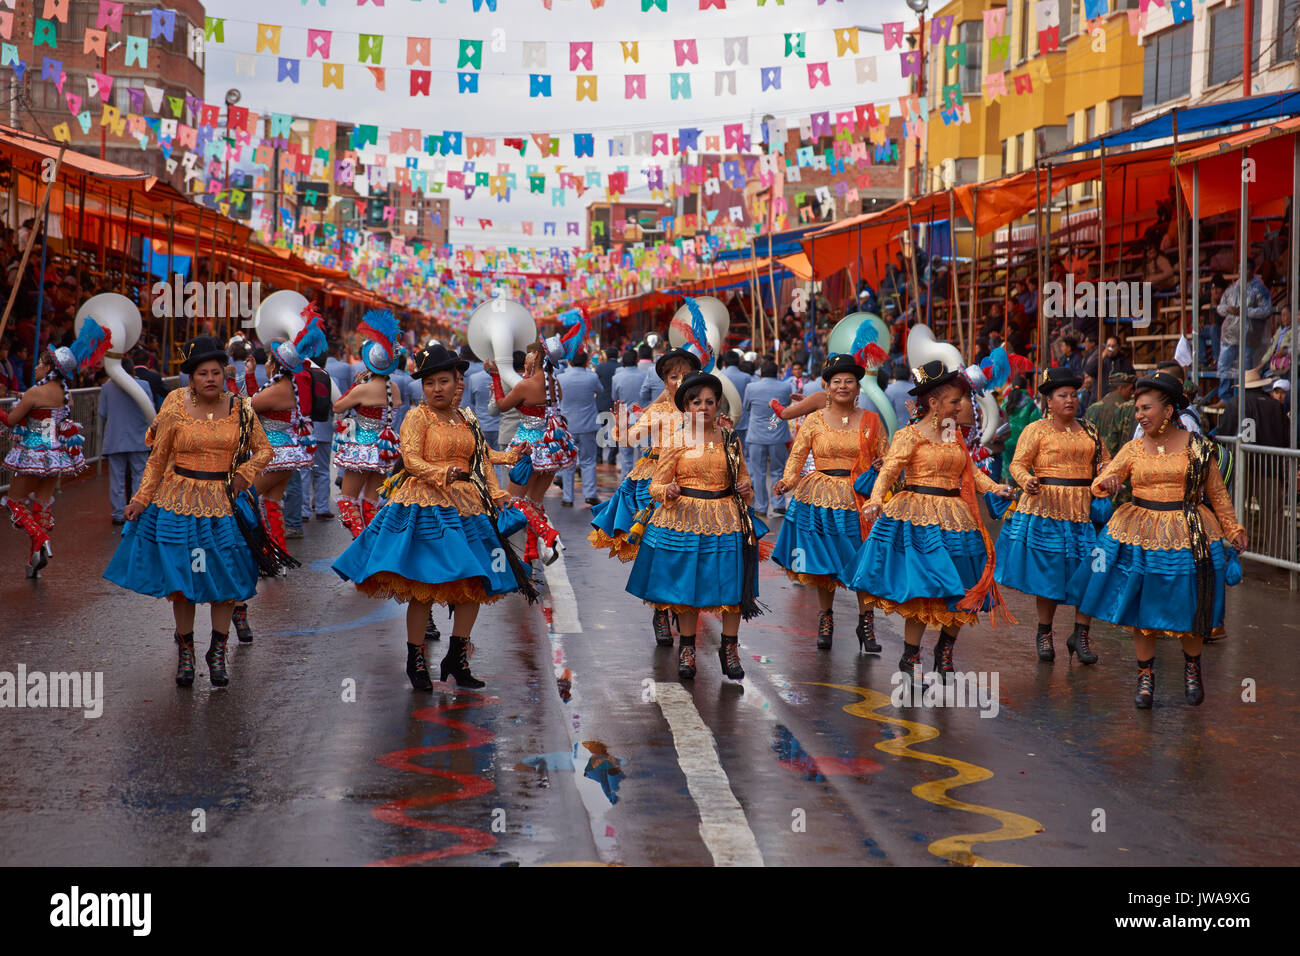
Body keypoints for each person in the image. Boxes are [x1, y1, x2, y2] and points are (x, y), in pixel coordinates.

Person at [332, 344, 537, 690]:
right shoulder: (417, 417)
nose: (437, 389)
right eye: (429, 383)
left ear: (458, 382)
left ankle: (457, 659)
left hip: (467, 507)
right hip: (426, 505)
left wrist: (509, 466)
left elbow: (482, 459)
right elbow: (411, 460)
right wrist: (445, 474)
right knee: (424, 588)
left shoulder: (467, 418)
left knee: (475, 583)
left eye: (443, 381)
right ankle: (416, 661)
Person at [103, 336, 280, 688]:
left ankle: (217, 652)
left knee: (226, 579)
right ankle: (186, 652)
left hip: (224, 503)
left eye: (216, 372)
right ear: (191, 377)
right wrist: (140, 499)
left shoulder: (241, 407)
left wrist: (244, 475)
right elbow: (157, 457)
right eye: (203, 373)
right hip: (177, 501)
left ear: (224, 374)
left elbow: (264, 450)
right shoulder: (174, 404)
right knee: (181, 581)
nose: (210, 378)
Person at [1074, 371, 1247, 709]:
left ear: (1168, 412)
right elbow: (1104, 478)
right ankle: (1145, 677)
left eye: (1146, 408)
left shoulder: (1198, 447)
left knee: (1191, 604)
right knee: (1144, 606)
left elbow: (1217, 493)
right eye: (1137, 408)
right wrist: (1106, 485)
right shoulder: (1134, 448)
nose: (1139, 415)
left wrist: (1234, 529)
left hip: (1191, 533)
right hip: (1141, 532)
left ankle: (1192, 669)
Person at [842, 361, 1014, 678]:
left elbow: (972, 473)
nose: (962, 406)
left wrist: (997, 488)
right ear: (933, 404)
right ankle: (911, 657)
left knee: (964, 586)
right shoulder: (909, 436)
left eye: (962, 400)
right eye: (954, 401)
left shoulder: (955, 437)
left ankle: (945, 651)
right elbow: (890, 470)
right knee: (922, 588)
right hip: (916, 518)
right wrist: (876, 500)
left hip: (957, 520)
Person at [625, 372, 767, 681]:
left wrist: (745, 488)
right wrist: (668, 491)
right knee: (686, 589)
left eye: (709, 402)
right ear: (686, 407)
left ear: (717, 406)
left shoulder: (730, 439)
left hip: (727, 520)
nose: (703, 407)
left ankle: (729, 649)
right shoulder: (675, 440)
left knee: (731, 587)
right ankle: (687, 649)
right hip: (683, 520)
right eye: (696, 402)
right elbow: (656, 486)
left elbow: (743, 477)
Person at [770, 354, 888, 651]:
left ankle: (867, 624)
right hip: (818, 500)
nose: (843, 386)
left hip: (859, 502)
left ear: (858, 387)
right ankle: (826, 618)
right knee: (823, 566)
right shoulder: (813, 420)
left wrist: (882, 464)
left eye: (849, 381)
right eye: (837, 381)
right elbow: (797, 457)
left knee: (863, 560)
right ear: (827, 386)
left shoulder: (872, 421)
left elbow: (887, 459)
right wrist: (786, 481)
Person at [995, 368, 1111, 664]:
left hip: (1083, 514)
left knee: (1088, 574)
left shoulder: (1090, 430)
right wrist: (1026, 481)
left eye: (1073, 395)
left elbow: (1106, 463)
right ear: (1049, 401)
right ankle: (1044, 633)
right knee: (1049, 576)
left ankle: (1080, 634)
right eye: (1063, 395)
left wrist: (1108, 478)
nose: (1070, 400)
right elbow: (1018, 465)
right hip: (1045, 510)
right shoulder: (1037, 430)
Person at [589, 347, 698, 645]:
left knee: (688, 549)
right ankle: (660, 611)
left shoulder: (702, 408)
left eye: (685, 374)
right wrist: (622, 425)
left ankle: (679, 605)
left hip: (693, 484)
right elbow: (628, 438)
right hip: (657, 483)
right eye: (673, 376)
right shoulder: (659, 411)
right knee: (659, 548)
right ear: (665, 381)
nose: (679, 380)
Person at [0, 319, 107, 577]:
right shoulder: (66, 394)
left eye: (40, 363)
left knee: (14, 503)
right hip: (55, 455)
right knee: (42, 505)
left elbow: (12, 420)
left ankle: (40, 539)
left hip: (31, 452)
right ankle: (33, 561)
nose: (35, 367)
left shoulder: (35, 393)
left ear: (49, 368)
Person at [485, 339, 577, 564]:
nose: (526, 357)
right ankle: (530, 551)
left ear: (535, 357)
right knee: (534, 502)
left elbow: (502, 405)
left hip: (527, 447)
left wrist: (496, 377)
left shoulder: (526, 386)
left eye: (529, 354)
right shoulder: (554, 383)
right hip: (552, 447)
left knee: (514, 500)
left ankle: (548, 534)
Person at [332, 312, 406, 537]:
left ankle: (359, 541)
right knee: (371, 503)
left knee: (347, 502)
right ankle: (373, 541)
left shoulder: (363, 389)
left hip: (361, 448)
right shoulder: (393, 388)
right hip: (384, 448)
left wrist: (356, 384)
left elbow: (337, 406)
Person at [98, 361, 153, 526]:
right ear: (133, 370)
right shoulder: (143, 385)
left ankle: (118, 513)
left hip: (115, 438)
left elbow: (102, 412)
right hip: (138, 437)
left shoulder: (107, 388)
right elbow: (149, 409)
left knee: (116, 477)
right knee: (139, 475)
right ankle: (137, 509)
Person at [739, 360, 795, 516]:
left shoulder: (751, 387)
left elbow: (747, 406)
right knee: (778, 471)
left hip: (756, 434)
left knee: (758, 472)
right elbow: (787, 404)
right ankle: (778, 504)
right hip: (777, 433)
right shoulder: (785, 386)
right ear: (777, 372)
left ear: (761, 373)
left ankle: (761, 507)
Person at [1215, 260, 1272, 403]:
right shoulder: (1233, 288)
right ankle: (1225, 397)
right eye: (1240, 269)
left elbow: (1266, 310)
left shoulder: (1259, 289)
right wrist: (1228, 309)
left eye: (1245, 269)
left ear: (1252, 270)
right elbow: (1220, 307)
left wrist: (1245, 312)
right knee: (1225, 364)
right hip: (1230, 335)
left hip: (1249, 336)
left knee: (1244, 368)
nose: (1242, 272)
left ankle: (1242, 397)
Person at [557, 350, 603, 507]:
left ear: (570, 362)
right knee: (588, 461)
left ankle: (568, 497)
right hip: (588, 424)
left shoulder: (561, 377)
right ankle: (590, 494)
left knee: (567, 461)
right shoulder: (592, 377)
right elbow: (600, 390)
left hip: (567, 425)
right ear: (586, 363)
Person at [610, 348, 646, 481]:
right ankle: (642, 484)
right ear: (637, 360)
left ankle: (627, 484)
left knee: (626, 457)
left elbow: (615, 397)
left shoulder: (616, 377)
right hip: (641, 417)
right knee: (643, 454)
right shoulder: (644, 375)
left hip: (624, 417)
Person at [1084, 371, 1136, 458]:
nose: (1132, 393)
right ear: (1120, 388)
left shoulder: (1092, 408)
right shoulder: (1126, 409)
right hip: (1116, 460)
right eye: (1130, 389)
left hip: (1094, 458)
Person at [594, 347, 619, 465]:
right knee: (615, 430)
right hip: (615, 404)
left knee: (600, 430)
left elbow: (596, 385)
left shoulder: (600, 367)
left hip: (601, 402)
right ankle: (612, 457)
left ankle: (598, 455)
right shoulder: (620, 367)